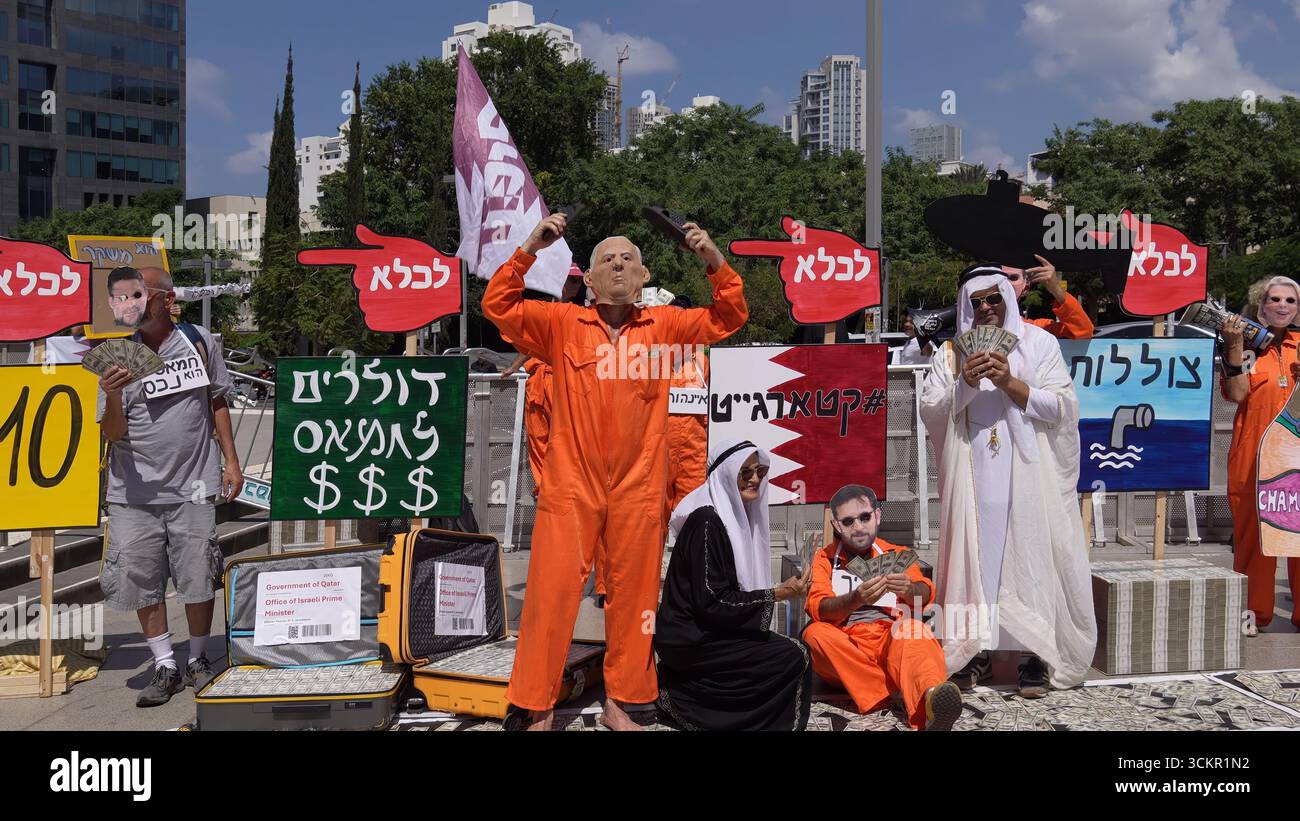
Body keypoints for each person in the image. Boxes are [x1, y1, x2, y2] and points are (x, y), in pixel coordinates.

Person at [483, 212, 747, 731]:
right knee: (550, 596)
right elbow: (498, 305)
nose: (619, 264)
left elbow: (730, 313)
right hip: (570, 487)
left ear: (645, 277)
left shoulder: (668, 328)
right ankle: (535, 702)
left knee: (633, 596)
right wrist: (531, 246)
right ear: (589, 280)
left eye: (629, 258)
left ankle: (624, 701)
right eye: (608, 258)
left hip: (639, 486)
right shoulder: (560, 326)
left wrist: (711, 256)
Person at [920, 264, 1096, 698]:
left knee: (1029, 554)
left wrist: (1010, 383)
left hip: (1027, 470)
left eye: (993, 299)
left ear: (1008, 298)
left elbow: (1063, 407)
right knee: (976, 558)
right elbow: (931, 409)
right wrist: (965, 383)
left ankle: (1033, 655)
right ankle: (972, 651)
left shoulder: (1040, 343)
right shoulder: (950, 353)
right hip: (974, 471)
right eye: (976, 302)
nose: (985, 309)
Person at [96, 266, 243, 707]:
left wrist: (232, 462)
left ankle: (198, 659)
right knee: (142, 578)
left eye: (138, 295)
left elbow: (217, 399)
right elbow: (112, 434)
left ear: (164, 298)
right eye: (122, 298)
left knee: (198, 573)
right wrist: (115, 394)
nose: (129, 305)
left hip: (194, 484)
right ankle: (164, 663)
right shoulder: (115, 353)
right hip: (132, 492)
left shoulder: (200, 341)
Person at [654, 440, 813, 730]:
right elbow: (712, 601)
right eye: (745, 472)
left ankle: (686, 694)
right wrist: (776, 593)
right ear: (727, 475)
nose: (754, 479)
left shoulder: (733, 518)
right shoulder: (706, 521)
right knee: (794, 655)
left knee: (789, 653)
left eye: (760, 471)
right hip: (690, 637)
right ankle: (678, 695)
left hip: (712, 628)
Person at [802, 484, 962, 731]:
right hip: (847, 649)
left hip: (889, 640)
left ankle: (931, 700)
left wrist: (910, 590)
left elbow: (926, 592)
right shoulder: (824, 559)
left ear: (877, 515)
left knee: (912, 629)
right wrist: (855, 599)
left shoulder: (897, 553)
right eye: (848, 521)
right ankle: (896, 690)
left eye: (865, 517)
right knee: (814, 634)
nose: (858, 527)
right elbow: (818, 608)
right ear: (837, 526)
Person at [1221, 275, 1300, 634]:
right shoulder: (1244, 344)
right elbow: (1237, 395)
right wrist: (1233, 348)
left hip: (1296, 458)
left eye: (1290, 300)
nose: (1283, 306)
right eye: (1275, 299)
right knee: (1254, 539)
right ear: (1261, 305)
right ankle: (1254, 613)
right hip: (1254, 456)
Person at [666, 300, 710, 516]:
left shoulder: (704, 362)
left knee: (693, 516)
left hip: (694, 454)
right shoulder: (652, 361)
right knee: (652, 517)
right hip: (658, 452)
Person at [1001, 254, 1093, 339]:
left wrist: (1056, 289)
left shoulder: (1037, 330)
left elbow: (1084, 331)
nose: (1006, 284)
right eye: (1000, 277)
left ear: (1026, 288)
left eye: (1013, 278)